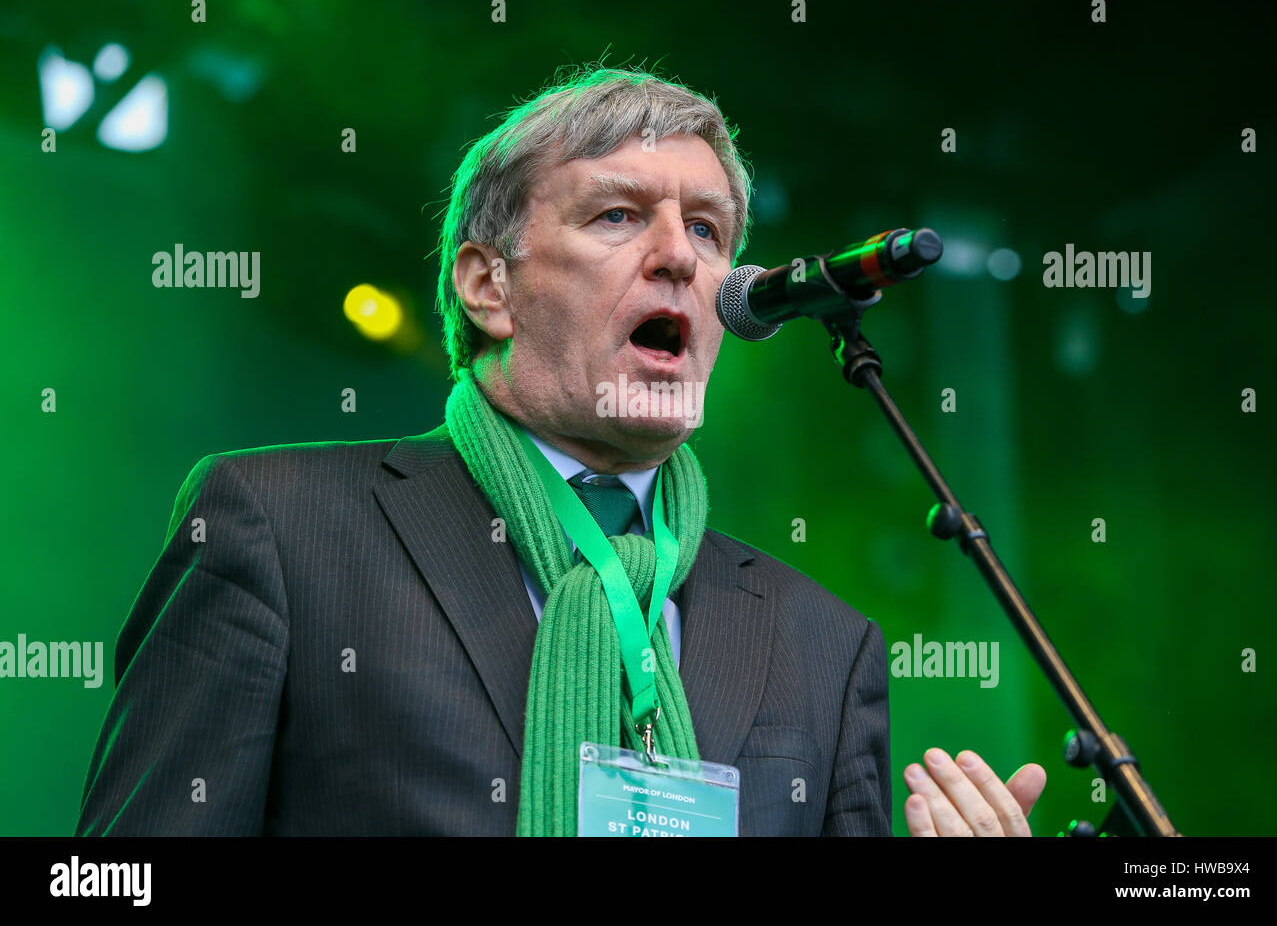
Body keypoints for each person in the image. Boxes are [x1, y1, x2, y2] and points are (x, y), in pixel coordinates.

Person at [76, 64, 1044, 837]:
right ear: (487, 285)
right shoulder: (279, 527)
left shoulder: (824, 643)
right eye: (617, 215)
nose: (678, 255)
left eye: (706, 229)